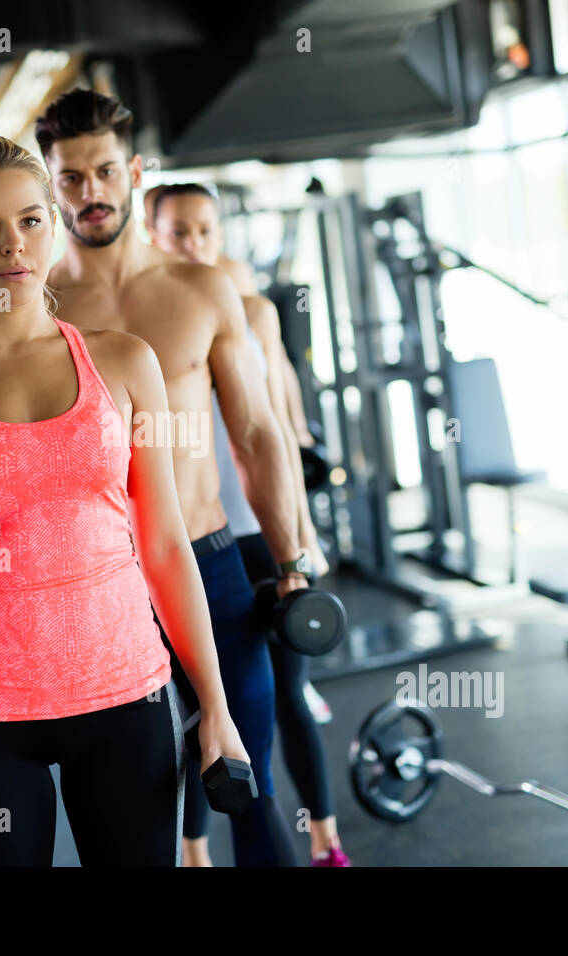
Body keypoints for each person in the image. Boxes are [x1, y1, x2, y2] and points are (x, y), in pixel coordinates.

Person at [0, 133, 249, 866]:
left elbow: (162, 546)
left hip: (125, 691)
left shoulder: (126, 362)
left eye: (32, 220)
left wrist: (214, 709)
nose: (12, 245)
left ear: (55, 229)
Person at [37, 88, 308, 867]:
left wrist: (291, 563)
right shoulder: (42, 307)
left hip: (213, 565)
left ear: (135, 171)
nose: (90, 193)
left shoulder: (202, 291)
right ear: (52, 185)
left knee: (247, 787)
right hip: (107, 586)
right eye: (70, 179)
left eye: (104, 172)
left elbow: (258, 436)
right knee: (141, 811)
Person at [150, 182, 350, 867]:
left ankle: (325, 835)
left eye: (204, 230)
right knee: (201, 709)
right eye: (179, 232)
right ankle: (196, 847)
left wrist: (303, 543)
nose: (195, 243)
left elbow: (282, 432)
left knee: (283, 694)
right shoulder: (152, 322)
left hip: (263, 537)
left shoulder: (255, 312)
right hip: (203, 543)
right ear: (154, 237)